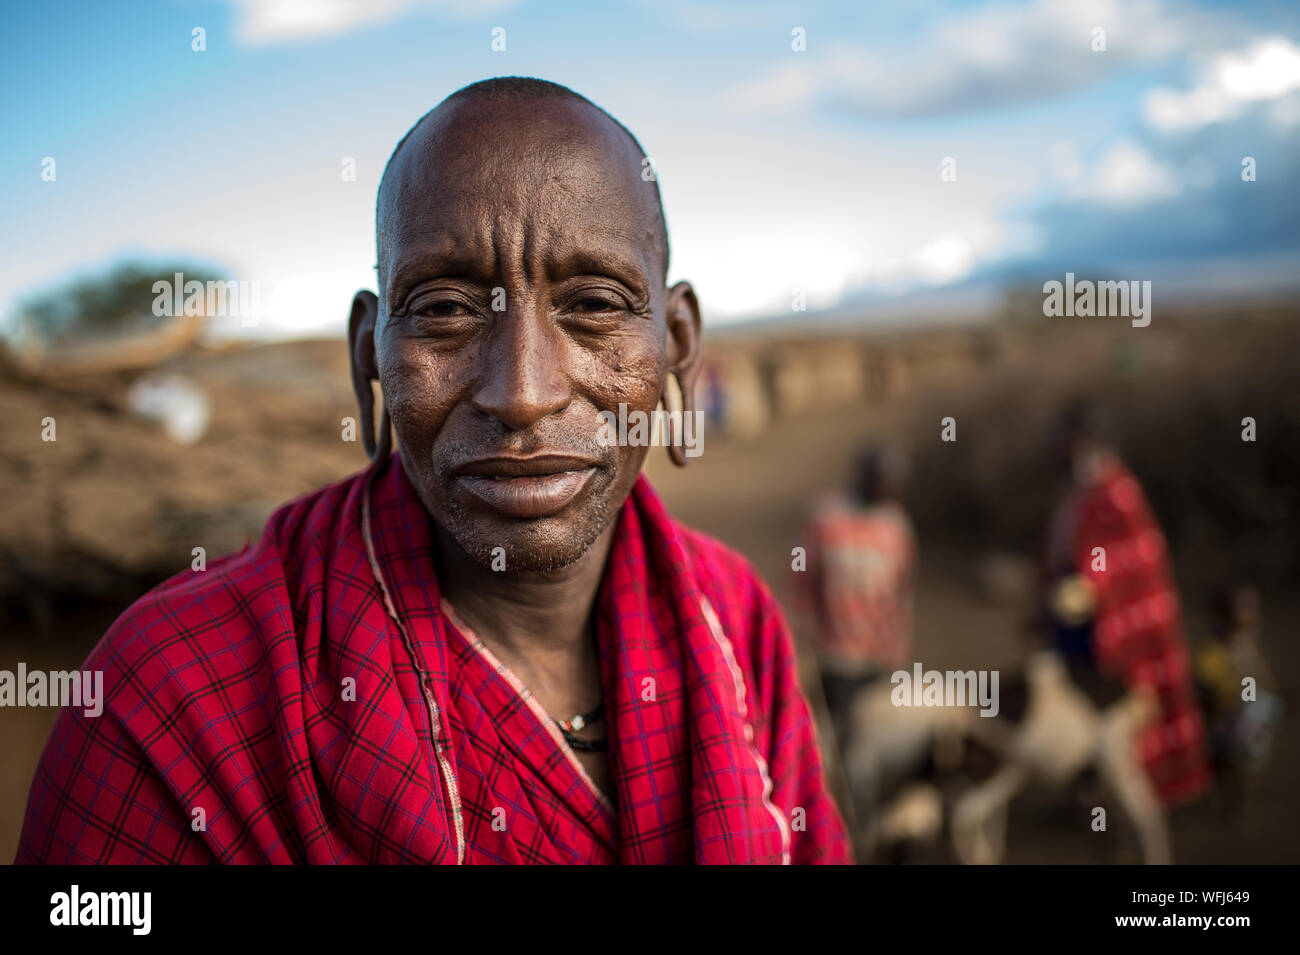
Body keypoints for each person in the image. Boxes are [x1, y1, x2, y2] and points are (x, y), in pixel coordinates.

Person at [16, 77, 851, 865]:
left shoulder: (734, 621)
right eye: (446, 310)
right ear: (368, 355)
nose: (522, 393)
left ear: (677, 344)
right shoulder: (170, 699)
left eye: (594, 304)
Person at [1040, 399, 1209, 806]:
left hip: (1113, 619)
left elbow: (1138, 555)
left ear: (1085, 439)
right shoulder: (1078, 488)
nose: (1059, 446)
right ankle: (1090, 787)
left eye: (1067, 438)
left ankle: (1132, 787)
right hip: (1078, 620)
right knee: (1080, 700)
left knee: (1119, 703)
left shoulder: (1118, 490)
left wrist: (1094, 585)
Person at [797, 444, 917, 746]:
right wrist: (804, 629)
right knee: (836, 736)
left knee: (872, 735)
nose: (887, 486)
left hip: (878, 656)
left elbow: (903, 590)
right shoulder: (828, 519)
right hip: (834, 654)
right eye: (882, 478)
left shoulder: (897, 527)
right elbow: (801, 575)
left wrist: (897, 643)